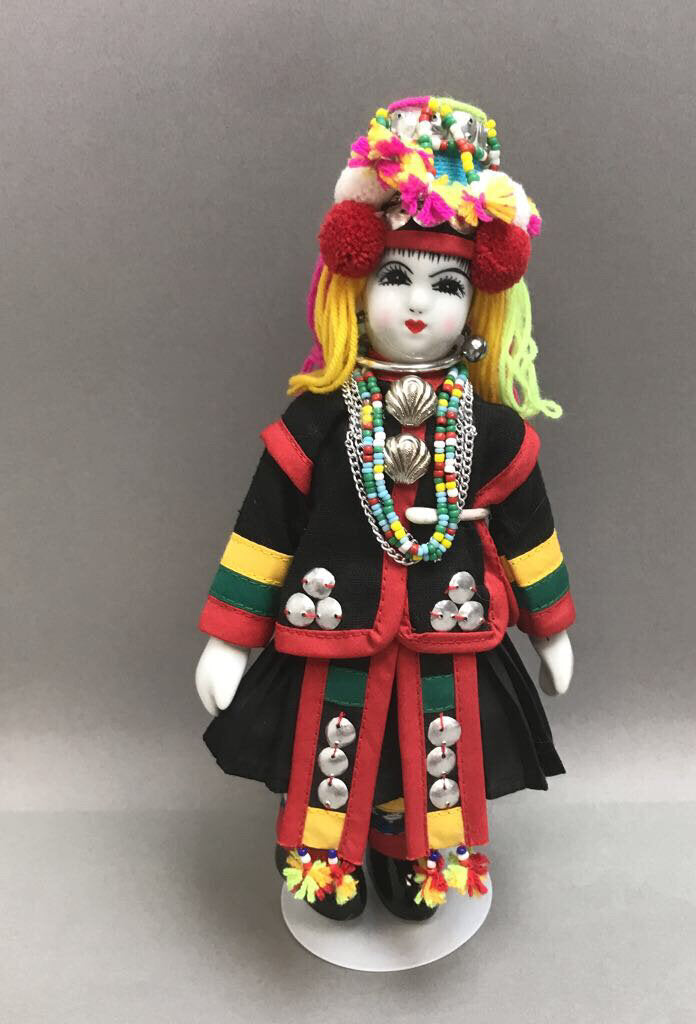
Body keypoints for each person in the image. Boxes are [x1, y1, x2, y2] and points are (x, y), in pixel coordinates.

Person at [195, 96, 575, 921]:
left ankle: (416, 858)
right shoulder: (320, 420)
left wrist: (551, 628)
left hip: (448, 629)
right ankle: (320, 858)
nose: (418, 304)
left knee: (430, 750)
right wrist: (229, 639)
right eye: (396, 277)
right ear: (357, 282)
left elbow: (529, 533)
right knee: (325, 744)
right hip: (334, 628)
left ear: (478, 301)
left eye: (447, 285)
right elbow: (265, 529)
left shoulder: (490, 429)